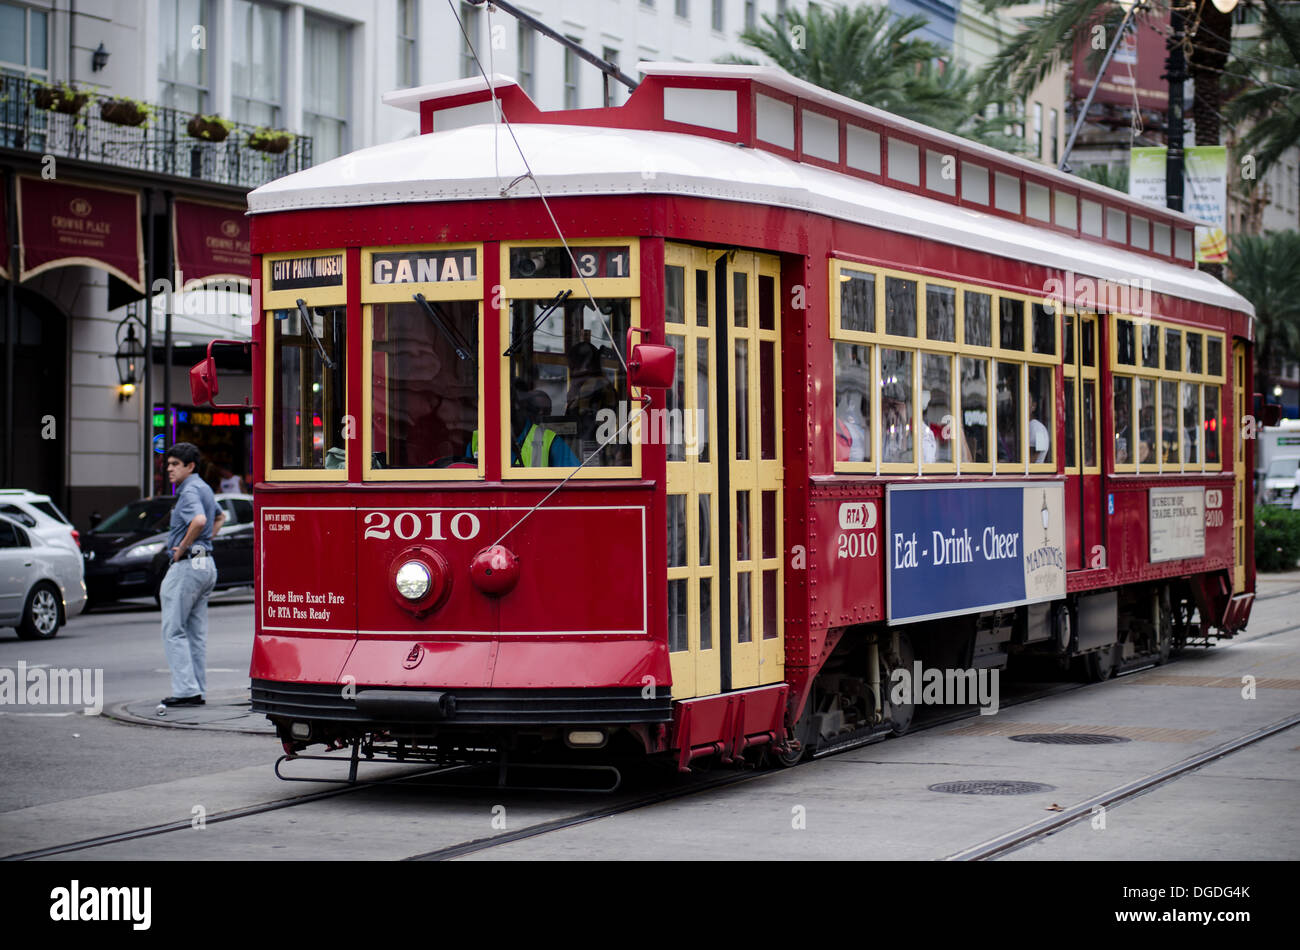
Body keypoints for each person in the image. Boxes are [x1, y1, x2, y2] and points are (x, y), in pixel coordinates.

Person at [159, 443, 224, 707]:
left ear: (190, 466)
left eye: (175, 464)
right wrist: (203, 543)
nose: (169, 469)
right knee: (195, 633)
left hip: (187, 563)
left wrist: (181, 548)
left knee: (173, 630)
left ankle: (186, 690)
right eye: (169, 464)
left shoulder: (188, 492)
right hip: (204, 562)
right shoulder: (204, 488)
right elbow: (219, 518)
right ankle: (197, 689)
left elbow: (198, 520)